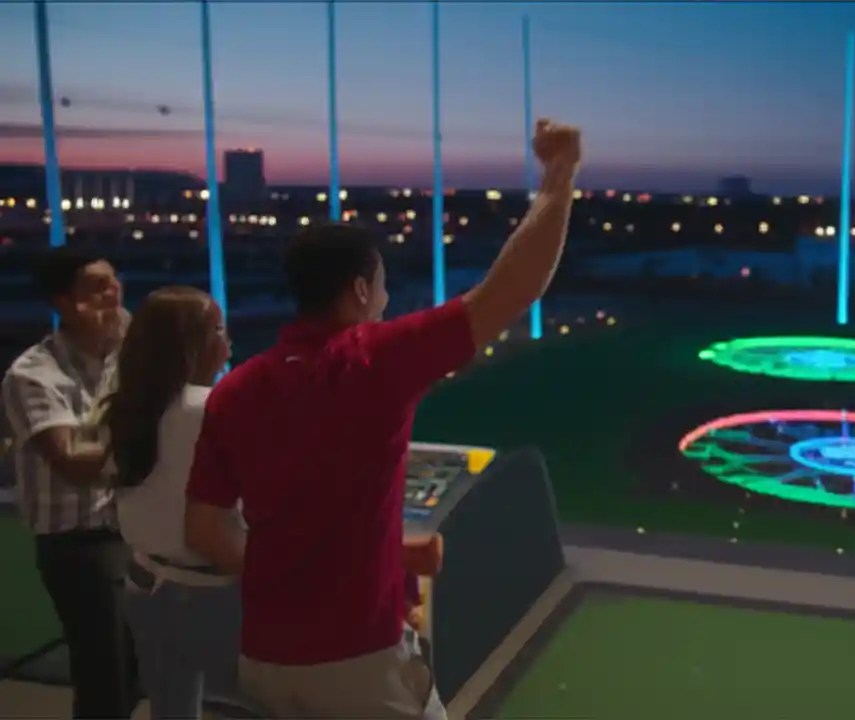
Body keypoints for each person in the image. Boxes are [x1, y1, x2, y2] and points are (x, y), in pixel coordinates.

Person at [184, 117, 581, 718]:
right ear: (361, 290)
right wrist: (560, 173)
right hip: (361, 665)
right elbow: (513, 287)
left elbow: (208, 530)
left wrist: (337, 561)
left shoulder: (235, 389)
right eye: (385, 286)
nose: (388, 299)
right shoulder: (372, 360)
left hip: (264, 658)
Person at [1, 248, 139, 718]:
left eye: (114, 281)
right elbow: (72, 464)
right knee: (107, 675)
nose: (112, 293)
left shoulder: (126, 356)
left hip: (134, 531)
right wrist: (139, 429)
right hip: (80, 542)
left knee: (137, 669)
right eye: (96, 286)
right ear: (63, 301)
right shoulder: (33, 374)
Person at [101, 286, 239, 719]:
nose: (228, 338)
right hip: (214, 593)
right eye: (219, 329)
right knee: (247, 708)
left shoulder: (123, 409)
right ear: (193, 346)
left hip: (145, 583)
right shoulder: (216, 409)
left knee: (172, 708)